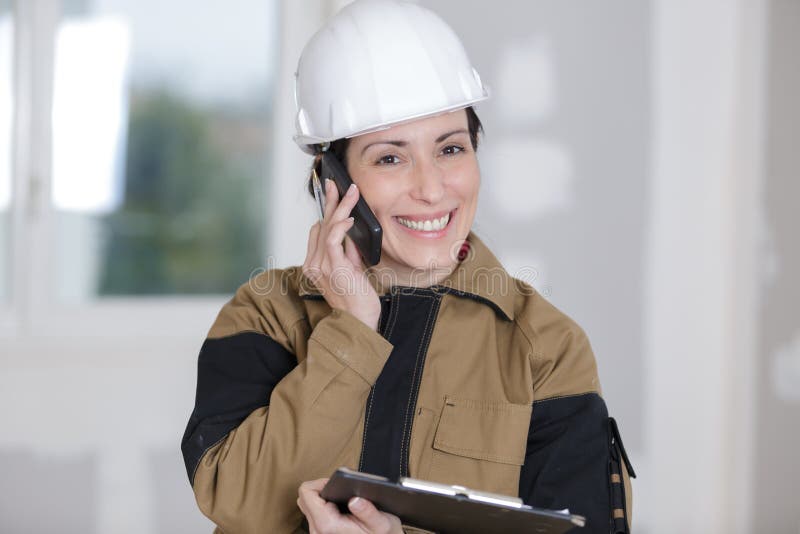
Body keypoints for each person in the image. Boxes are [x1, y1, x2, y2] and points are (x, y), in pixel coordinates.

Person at [181, 1, 635, 533]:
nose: (432, 189)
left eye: (451, 149)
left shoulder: (545, 347)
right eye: (390, 157)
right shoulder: (266, 315)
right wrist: (351, 334)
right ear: (331, 181)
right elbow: (234, 498)